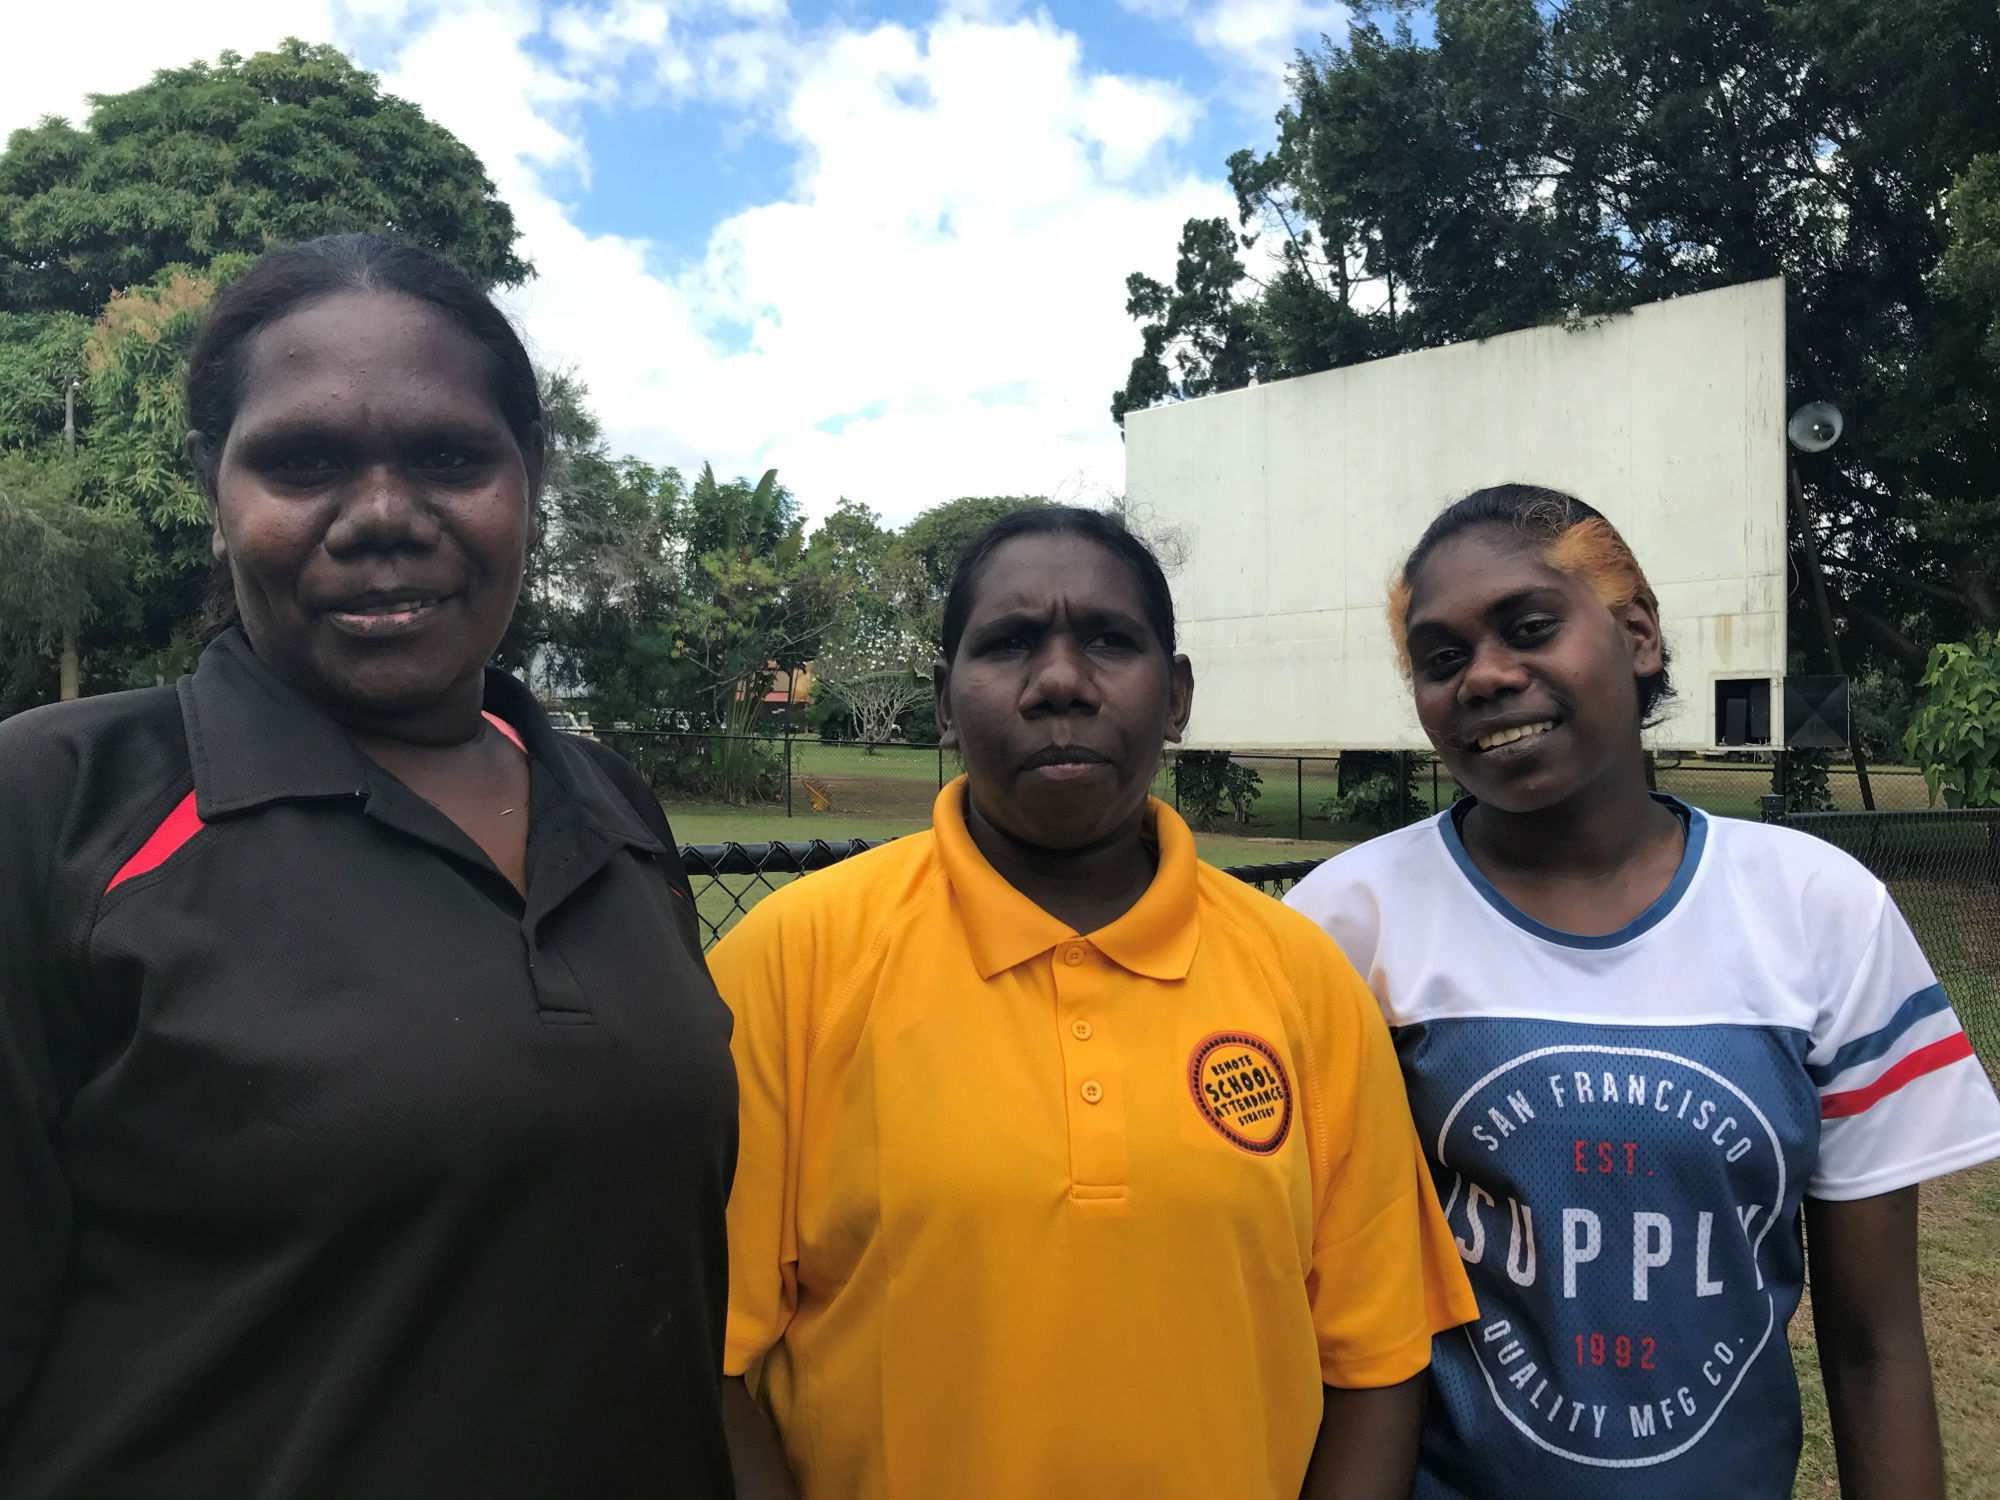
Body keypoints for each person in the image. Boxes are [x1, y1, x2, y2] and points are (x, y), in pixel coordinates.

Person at [0, 235, 737, 1500]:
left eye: (451, 459)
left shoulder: (608, 806)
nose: (385, 516)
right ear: (214, 491)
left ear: (529, 484)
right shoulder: (60, 805)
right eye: (303, 462)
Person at [710, 505, 1478, 1500]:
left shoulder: (1302, 980)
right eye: (1009, 644)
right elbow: (706, 1360)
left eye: (1109, 642)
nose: (1060, 681)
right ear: (945, 702)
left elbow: (1376, 1363)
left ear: (1176, 697)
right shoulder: (789, 963)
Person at [1285, 483, 2000, 1500]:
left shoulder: (1813, 907)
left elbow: (1874, 1344)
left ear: (1636, 635)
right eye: (1439, 659)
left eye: (1528, 628)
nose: (1483, 676)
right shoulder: (1343, 922)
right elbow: (1316, 1317)